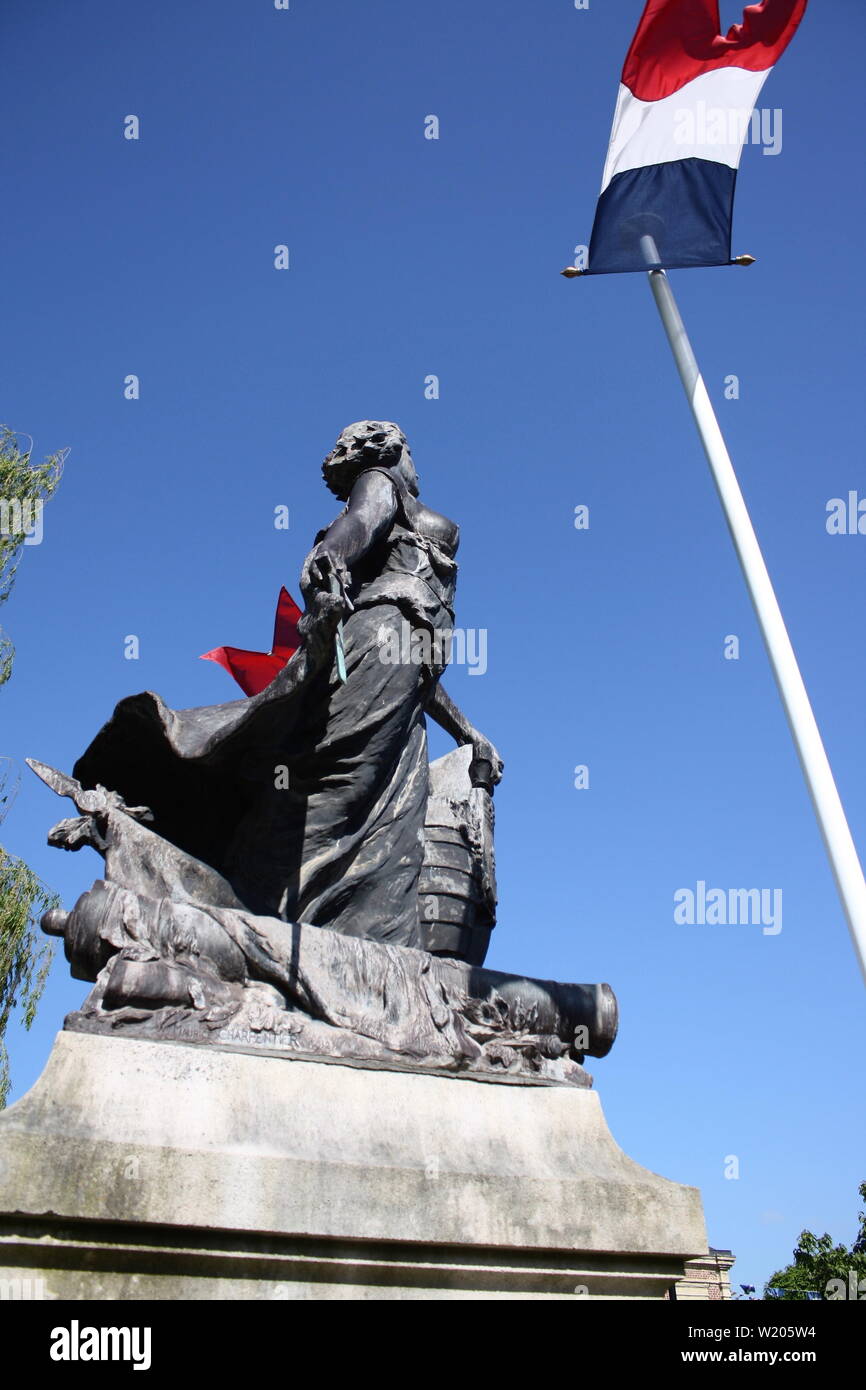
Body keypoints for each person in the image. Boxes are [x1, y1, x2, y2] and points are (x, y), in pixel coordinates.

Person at [73, 421, 502, 951]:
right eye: (411, 452)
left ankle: (357, 950)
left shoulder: (401, 532)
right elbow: (359, 525)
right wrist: (333, 557)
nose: (418, 466)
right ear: (389, 451)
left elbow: (422, 672)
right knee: (341, 789)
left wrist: (469, 732)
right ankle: (255, 913)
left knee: (392, 826)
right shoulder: (381, 481)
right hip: (378, 649)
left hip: (403, 678)